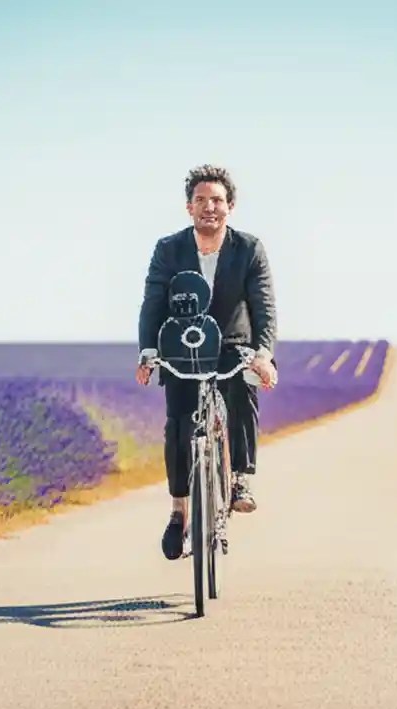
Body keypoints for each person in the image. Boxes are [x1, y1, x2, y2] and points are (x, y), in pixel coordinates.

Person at [135, 164, 279, 560]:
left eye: (217, 200)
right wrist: (149, 352)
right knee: (179, 426)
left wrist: (264, 355)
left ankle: (240, 479)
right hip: (183, 347)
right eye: (200, 200)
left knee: (243, 387)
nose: (208, 207)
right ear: (188, 207)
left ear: (230, 206)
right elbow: (153, 304)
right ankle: (179, 511)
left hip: (233, 344)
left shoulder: (249, 249)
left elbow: (263, 307)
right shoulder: (169, 249)